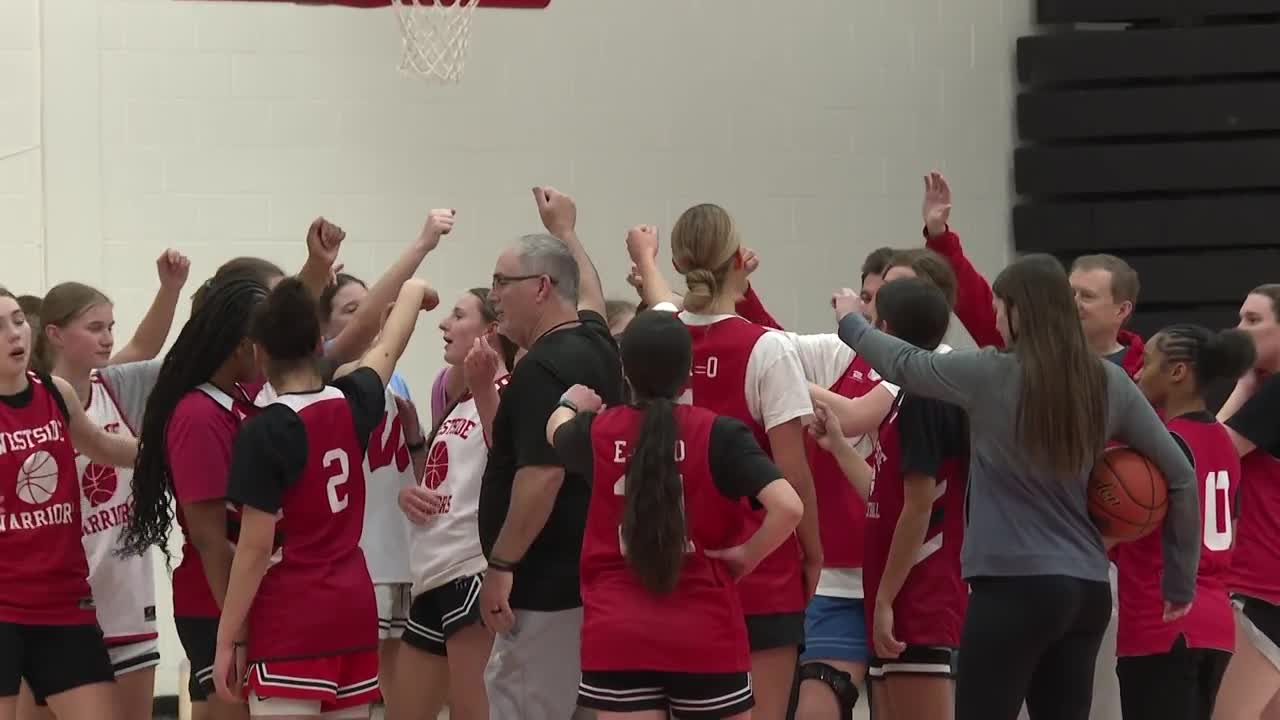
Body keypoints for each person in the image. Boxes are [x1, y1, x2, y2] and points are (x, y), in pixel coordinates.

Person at [831, 254, 1199, 720]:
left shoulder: (990, 372)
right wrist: (1179, 578)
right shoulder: (1108, 380)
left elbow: (904, 362)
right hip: (1087, 591)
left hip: (1012, 588)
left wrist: (851, 323)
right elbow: (1181, 475)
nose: (997, 319)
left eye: (999, 307)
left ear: (1019, 311)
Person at [545, 310, 803, 719]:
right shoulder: (720, 434)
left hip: (618, 634)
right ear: (688, 375)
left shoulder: (598, 433)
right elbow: (789, 507)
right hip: (705, 632)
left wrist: (569, 403)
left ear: (625, 372)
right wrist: (745, 556)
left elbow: (556, 430)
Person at [210, 276, 438, 719]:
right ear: (318, 342)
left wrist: (226, 638)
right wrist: (414, 291)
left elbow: (255, 550)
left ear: (258, 351)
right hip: (353, 610)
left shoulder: (265, 430)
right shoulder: (352, 404)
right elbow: (387, 349)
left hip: (292, 616)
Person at [626, 205, 822, 720]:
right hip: (756, 568)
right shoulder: (768, 349)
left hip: (670, 565)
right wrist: (814, 552)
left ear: (679, 260)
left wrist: (644, 257)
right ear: (740, 260)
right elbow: (793, 473)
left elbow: (662, 299)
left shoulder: (659, 331)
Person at [477, 187, 624, 720]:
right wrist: (567, 231)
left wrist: (501, 563)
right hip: (586, 581)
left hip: (542, 587)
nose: (493, 295)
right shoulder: (597, 343)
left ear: (541, 287)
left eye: (501, 282)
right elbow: (592, 296)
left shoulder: (541, 368)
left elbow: (542, 478)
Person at [21, 259, 189, 720]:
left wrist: (170, 290)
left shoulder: (115, 386)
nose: (108, 337)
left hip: (124, 598)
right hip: (54, 600)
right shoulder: (26, 407)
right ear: (54, 334)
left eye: (110, 327)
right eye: (94, 327)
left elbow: (147, 345)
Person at [812, 278, 967, 720]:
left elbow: (918, 509)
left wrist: (884, 599)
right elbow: (885, 498)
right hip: (899, 591)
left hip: (921, 594)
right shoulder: (904, 396)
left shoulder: (926, 399)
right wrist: (841, 448)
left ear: (884, 329)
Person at [117, 277, 270, 720]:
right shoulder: (197, 415)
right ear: (242, 347)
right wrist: (235, 629)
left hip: (243, 597)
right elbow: (208, 538)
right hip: (216, 603)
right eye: (266, 341)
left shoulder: (237, 397)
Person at [0, 286, 140, 720]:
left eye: (18, 320)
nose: (13, 334)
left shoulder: (54, 392)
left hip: (64, 604)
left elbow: (105, 446)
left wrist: (179, 448)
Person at [1114, 325, 1254, 720]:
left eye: (1148, 362)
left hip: (1162, 621)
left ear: (1177, 372)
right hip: (1215, 623)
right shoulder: (1225, 443)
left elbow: (1117, 528)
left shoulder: (1161, 446)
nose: (1138, 372)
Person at [391, 288, 517, 720]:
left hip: (472, 571)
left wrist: (484, 390)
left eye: (458, 315)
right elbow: (448, 476)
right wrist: (411, 488)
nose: (444, 324)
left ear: (491, 330)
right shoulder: (459, 399)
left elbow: (513, 462)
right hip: (432, 574)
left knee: (471, 710)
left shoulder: (509, 390)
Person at [1211, 285, 1280, 720]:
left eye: (1253, 321)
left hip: (1260, 586)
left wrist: (1241, 386)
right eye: (1239, 318)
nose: (1238, 330)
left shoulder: (1273, 394)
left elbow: (1203, 458)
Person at [1068, 254, 1145, 377]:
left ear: (1122, 310)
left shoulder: (1147, 374)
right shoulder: (1038, 362)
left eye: (1087, 296)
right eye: (1070, 293)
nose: (1073, 303)